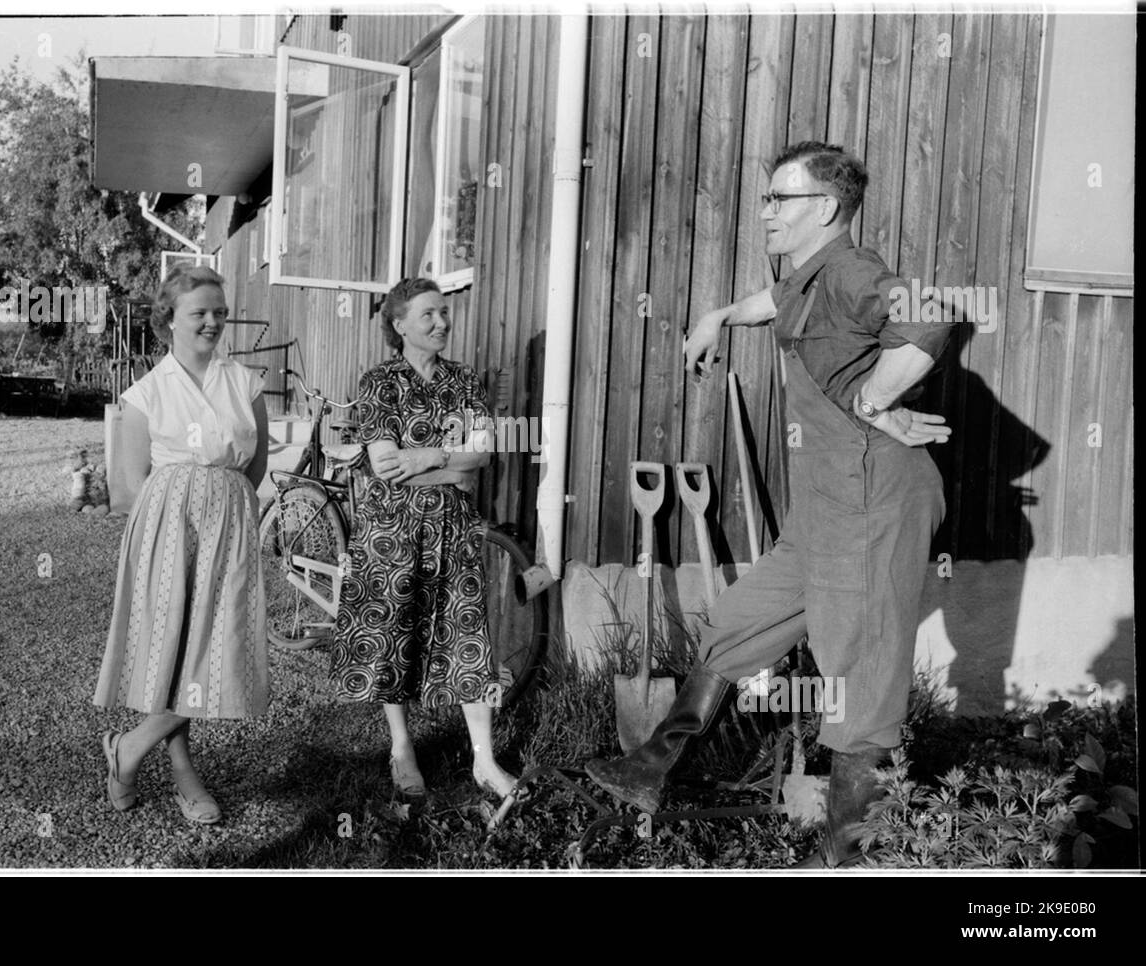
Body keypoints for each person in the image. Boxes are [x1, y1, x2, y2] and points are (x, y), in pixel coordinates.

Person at [585, 141, 954, 867]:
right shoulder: (807, 278)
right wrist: (718, 315)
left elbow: (932, 317)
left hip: (874, 499)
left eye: (779, 199)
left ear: (824, 207)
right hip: (828, 504)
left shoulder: (853, 271)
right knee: (739, 618)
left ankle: (841, 856)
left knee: (859, 673)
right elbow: (773, 304)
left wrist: (875, 398)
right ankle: (652, 767)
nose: (766, 212)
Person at [329, 276, 519, 799]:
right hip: (392, 528)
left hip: (453, 528)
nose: (441, 323)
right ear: (399, 325)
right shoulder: (378, 383)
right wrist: (447, 464)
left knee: (465, 633)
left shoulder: (463, 382)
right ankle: (402, 748)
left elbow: (479, 457)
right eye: (428, 315)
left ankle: (484, 759)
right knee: (393, 630)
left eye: (443, 312)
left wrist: (429, 458)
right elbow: (384, 467)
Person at [93, 264, 271, 825]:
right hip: (168, 530)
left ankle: (131, 747)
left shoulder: (245, 383)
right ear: (169, 319)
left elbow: (256, 465)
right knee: (175, 648)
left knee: (215, 650)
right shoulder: (145, 393)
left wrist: (221, 502)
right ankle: (183, 771)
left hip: (232, 528)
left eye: (220, 312)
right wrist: (179, 515)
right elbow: (127, 485)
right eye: (199, 313)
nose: (213, 322)